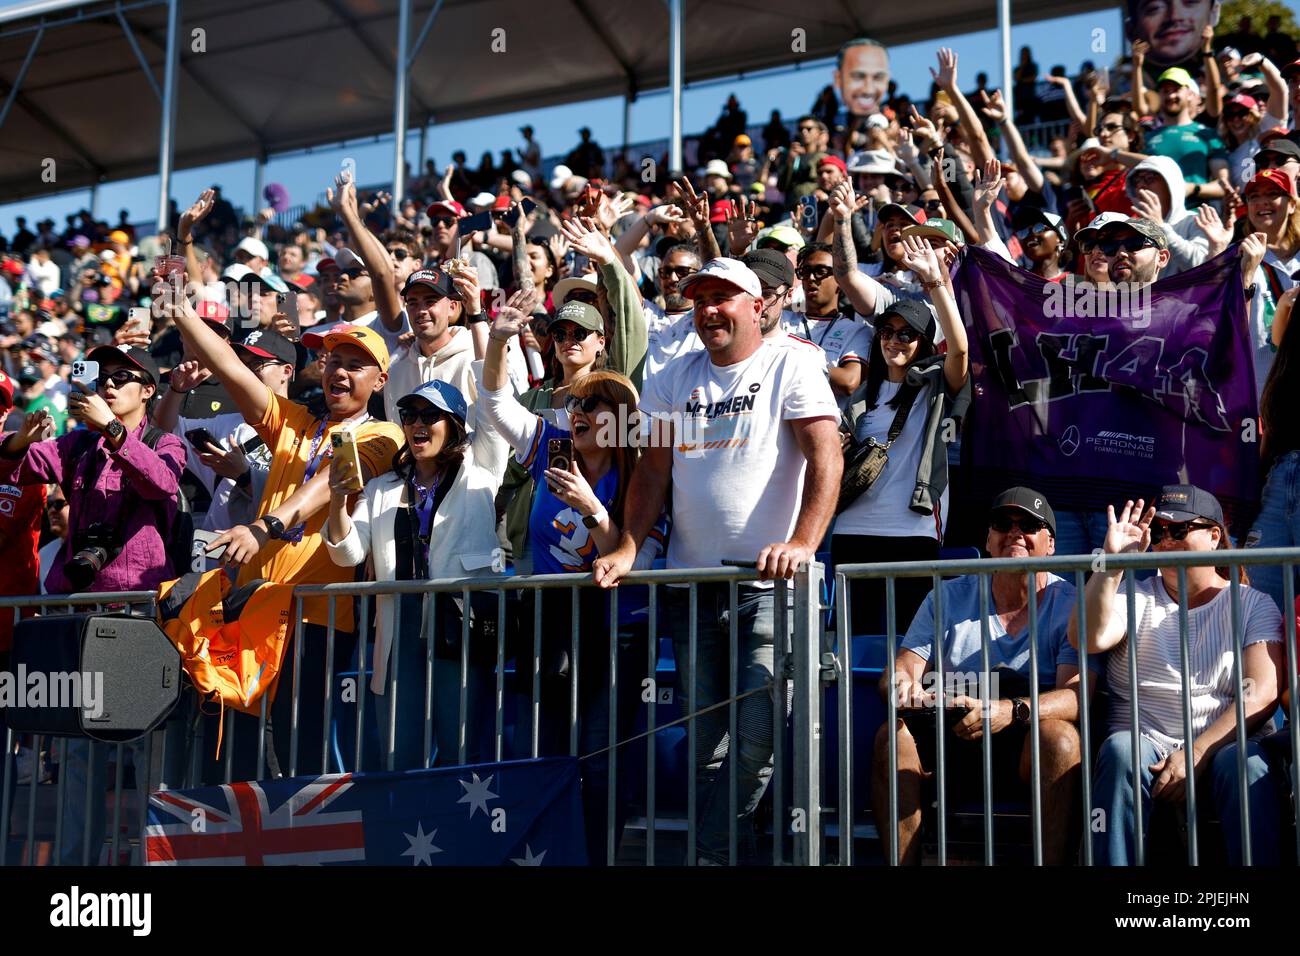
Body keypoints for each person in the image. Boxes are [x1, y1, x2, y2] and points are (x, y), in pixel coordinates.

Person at [593, 257, 843, 864]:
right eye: (699, 299)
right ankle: (731, 856)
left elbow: (826, 457)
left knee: (755, 741)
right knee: (706, 743)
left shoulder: (795, 362)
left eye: (723, 297)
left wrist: (804, 543)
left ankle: (708, 855)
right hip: (692, 584)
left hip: (769, 586)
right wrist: (629, 545)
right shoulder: (673, 374)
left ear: (758, 307)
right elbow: (652, 472)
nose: (709, 309)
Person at [157, 263, 403, 778]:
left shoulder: (387, 434)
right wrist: (182, 313)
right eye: (331, 360)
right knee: (235, 750)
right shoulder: (295, 422)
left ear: (380, 380)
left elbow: (336, 477)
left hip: (316, 618)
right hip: (253, 608)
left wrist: (266, 525)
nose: (337, 370)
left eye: (354, 364)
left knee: (301, 751)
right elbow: (232, 370)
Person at [481, 294, 660, 864]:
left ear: (623, 420)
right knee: (549, 753)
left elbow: (630, 559)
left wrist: (593, 508)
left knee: (601, 757)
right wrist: (498, 339)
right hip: (553, 627)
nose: (581, 411)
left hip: (618, 631)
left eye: (598, 404)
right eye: (577, 402)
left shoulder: (642, 477)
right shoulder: (552, 449)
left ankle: (598, 856)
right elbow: (494, 405)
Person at [0, 345, 185, 865]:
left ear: (148, 389)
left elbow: (161, 482)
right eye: (101, 376)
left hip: (135, 617)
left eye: (122, 377)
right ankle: (74, 870)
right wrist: (18, 439)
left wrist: (114, 432)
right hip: (78, 616)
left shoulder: (165, 441)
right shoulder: (75, 443)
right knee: (80, 754)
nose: (108, 384)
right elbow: (15, 463)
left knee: (142, 748)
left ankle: (154, 862)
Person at [873, 488, 1088, 865]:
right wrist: (907, 691)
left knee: (1062, 737)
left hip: (1025, 731)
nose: (1015, 533)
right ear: (987, 539)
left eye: (1030, 526)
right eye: (1003, 524)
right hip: (952, 723)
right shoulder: (948, 594)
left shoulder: (1071, 602)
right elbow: (902, 670)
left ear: (1050, 544)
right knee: (892, 735)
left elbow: (1075, 695)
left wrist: (1009, 710)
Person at [1073, 487, 1284, 865]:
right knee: (1122, 750)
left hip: (1224, 746)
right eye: (1160, 532)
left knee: (1248, 764)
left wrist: (1198, 752)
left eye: (1179, 530)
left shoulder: (1253, 603)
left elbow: (1262, 694)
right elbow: (1086, 637)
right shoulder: (1134, 596)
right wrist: (1112, 564)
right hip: (1143, 745)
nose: (1167, 540)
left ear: (1215, 535)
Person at [324, 378, 505, 769]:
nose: (417, 423)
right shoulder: (379, 488)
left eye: (430, 415)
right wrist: (338, 500)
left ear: (455, 423)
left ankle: (459, 830)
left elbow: (494, 401)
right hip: (399, 628)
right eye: (409, 415)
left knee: (461, 753)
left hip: (458, 627)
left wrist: (490, 332)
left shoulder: (483, 467)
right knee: (398, 753)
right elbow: (348, 553)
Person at [833, 236, 970, 634]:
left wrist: (934, 284)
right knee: (850, 646)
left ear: (923, 344)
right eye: (887, 331)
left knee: (909, 648)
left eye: (906, 334)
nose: (893, 339)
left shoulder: (935, 387)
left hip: (912, 533)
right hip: (852, 532)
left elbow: (959, 351)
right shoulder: (862, 397)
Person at [1144, 67, 1228, 193]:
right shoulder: (1147, 137)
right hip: (1155, 212)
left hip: (1193, 211)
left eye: (1176, 90)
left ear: (1189, 94)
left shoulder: (1208, 134)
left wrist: (1191, 189)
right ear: (1159, 95)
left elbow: (1223, 187)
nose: (1171, 95)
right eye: (1165, 91)